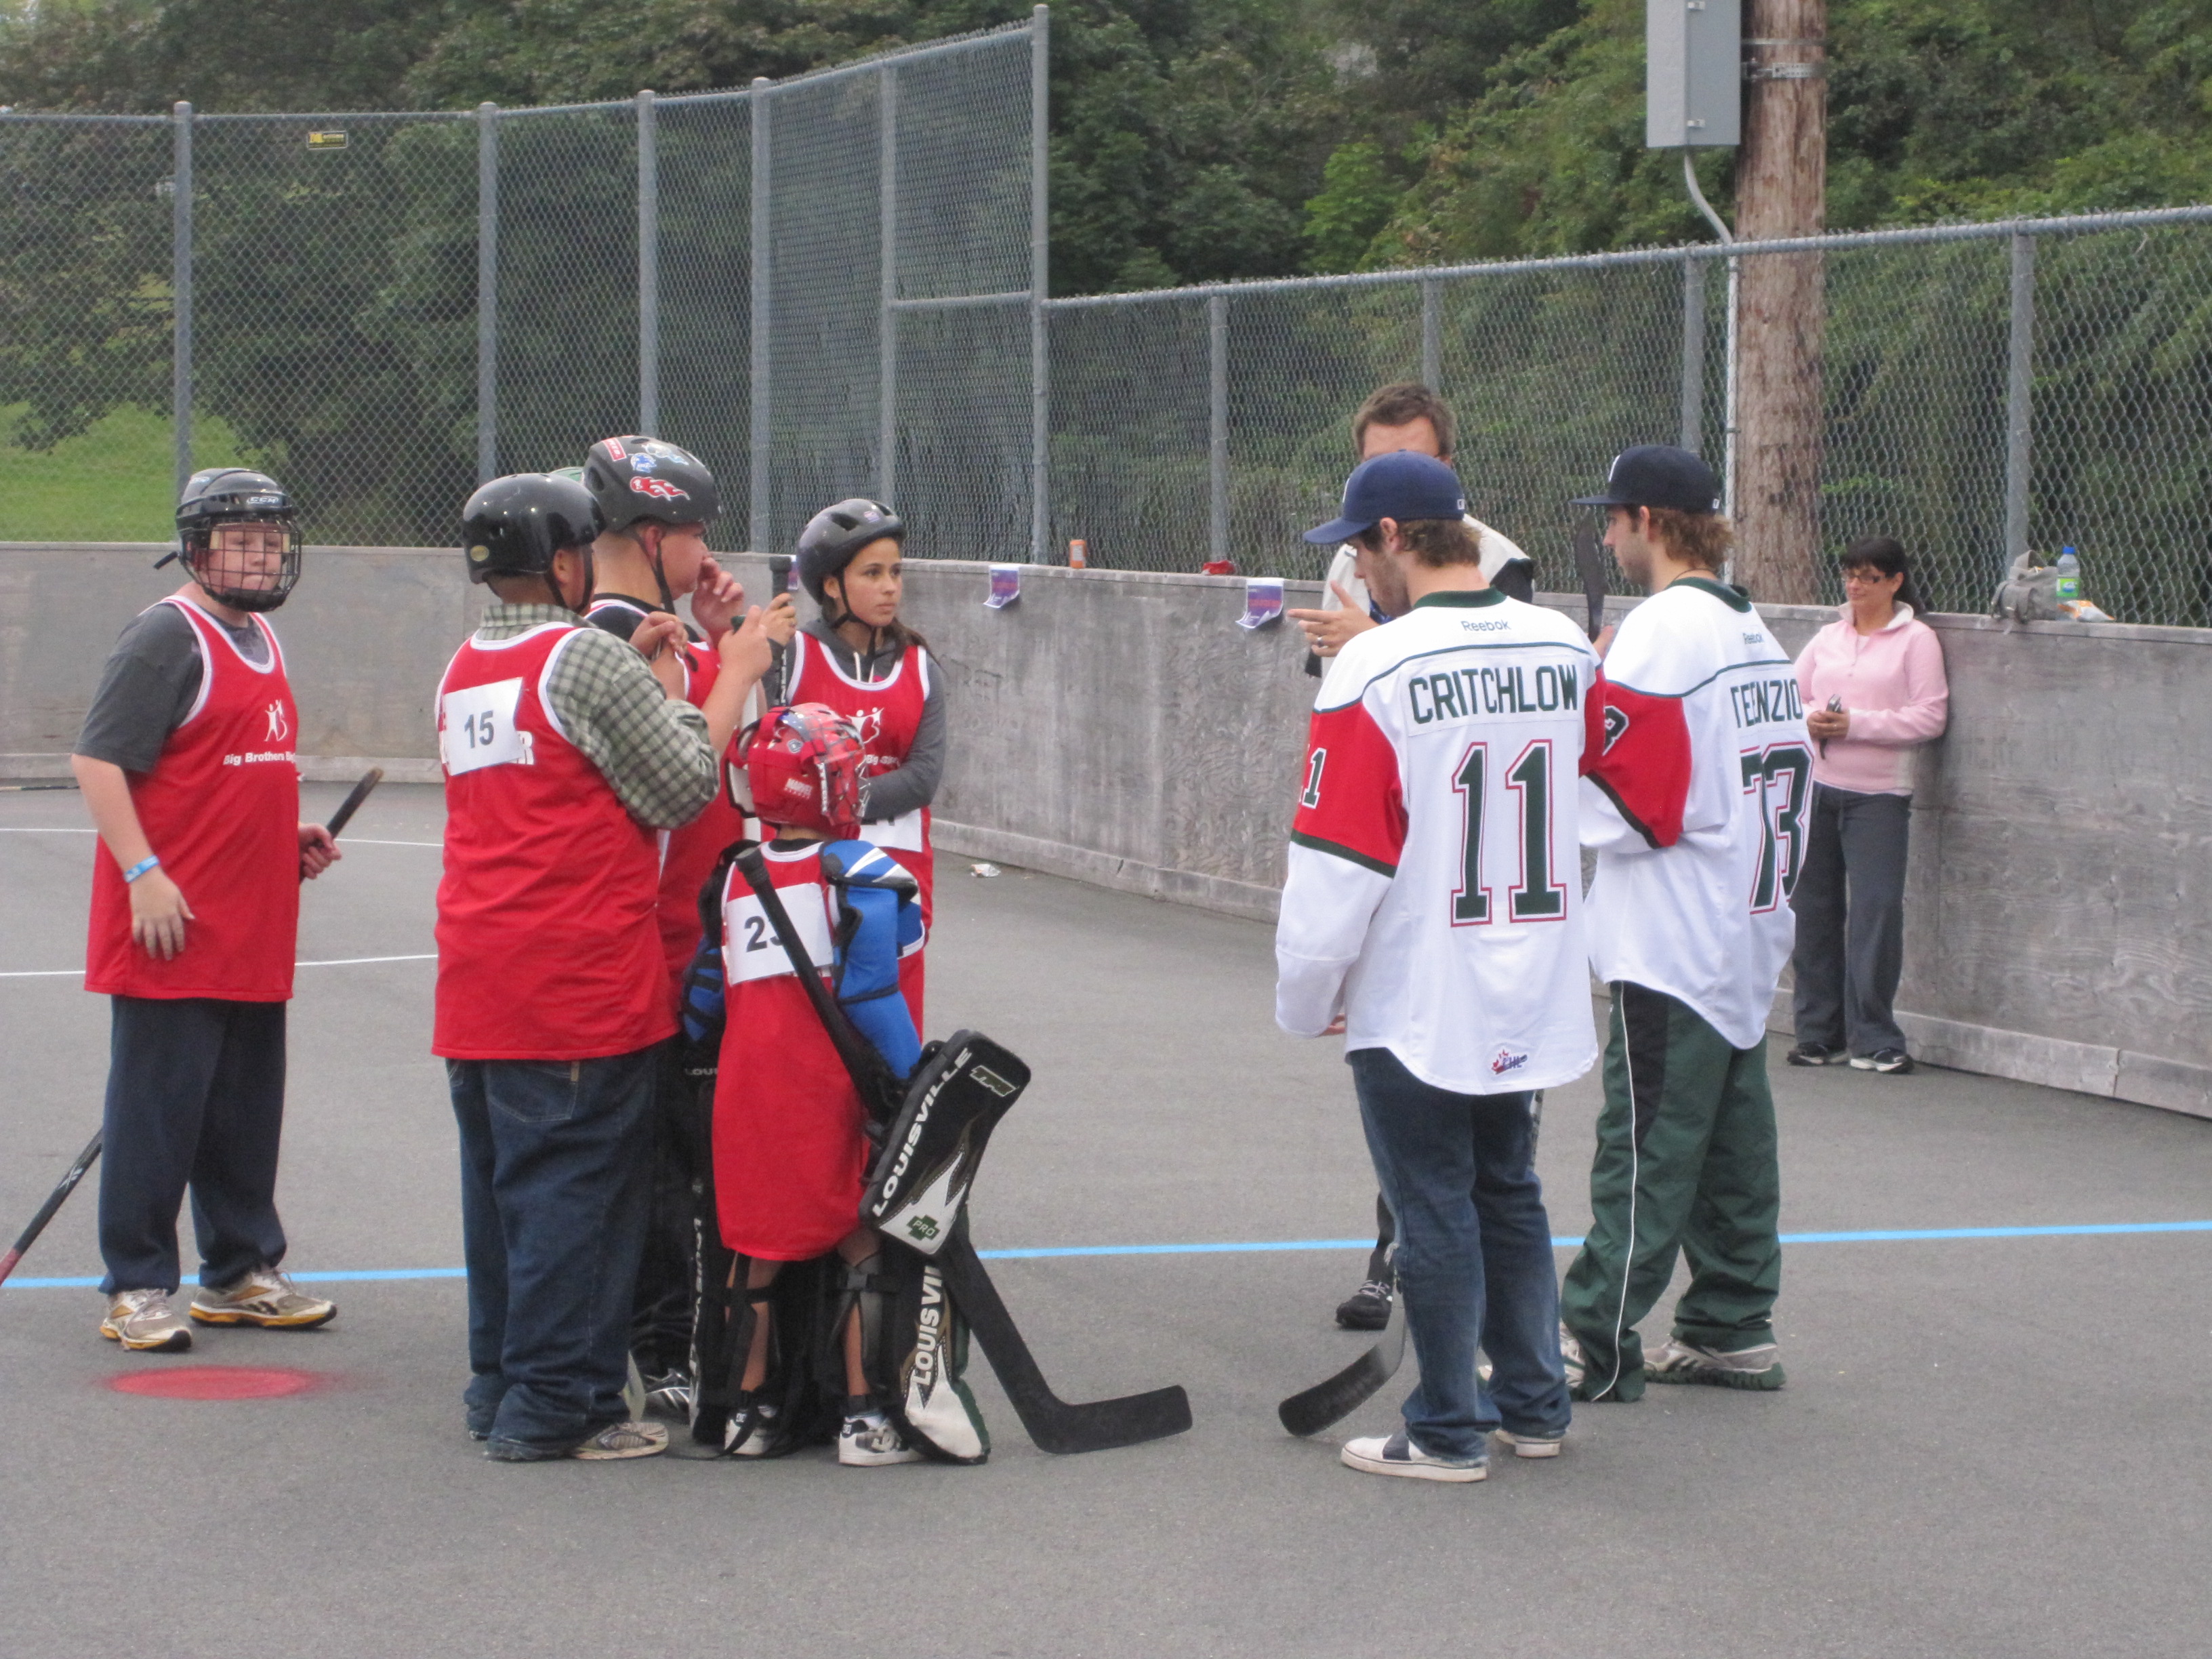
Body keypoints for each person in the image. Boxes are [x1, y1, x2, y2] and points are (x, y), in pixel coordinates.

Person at [433, 472, 782, 1462]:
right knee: (575, 1200)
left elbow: (556, 765)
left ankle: (501, 1383)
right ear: (561, 560)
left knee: (503, 1196)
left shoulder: (464, 665)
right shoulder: (584, 658)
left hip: (480, 974)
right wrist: (735, 671)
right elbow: (680, 786)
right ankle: (563, 1403)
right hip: (576, 976)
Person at [1275, 451, 1599, 1481]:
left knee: (1433, 1204)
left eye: (1358, 555)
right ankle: (1535, 1402)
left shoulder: (1375, 664)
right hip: (1532, 968)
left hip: (1421, 978)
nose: (1356, 581)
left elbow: (1338, 856)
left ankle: (1449, 1429)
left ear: (1393, 540)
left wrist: (1309, 990)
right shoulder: (1564, 644)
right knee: (1509, 1185)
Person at [73, 466, 344, 1353]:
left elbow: (231, 768)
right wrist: (142, 869)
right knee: (158, 1113)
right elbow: (100, 762)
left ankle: (238, 1271)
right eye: (243, 540)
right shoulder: (167, 637)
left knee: (241, 1114)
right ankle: (137, 1284)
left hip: (253, 923)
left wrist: (280, 832)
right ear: (198, 548)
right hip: (173, 923)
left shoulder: (264, 637)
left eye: (272, 540)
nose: (262, 556)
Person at [1560, 445, 1810, 1403]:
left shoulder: (1663, 630)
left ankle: (1591, 1339)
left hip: (1674, 931)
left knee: (1648, 1141)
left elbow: (1632, 805)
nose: (1606, 534)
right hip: (1744, 921)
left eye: (1613, 518)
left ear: (1650, 522)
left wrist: (1584, 727)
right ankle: (1731, 1323)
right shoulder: (1755, 631)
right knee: (1731, 1138)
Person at [1290, 383, 1539, 1333]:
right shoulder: (1352, 568)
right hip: (1410, 877)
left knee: (1486, 1150)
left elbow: (1474, 680)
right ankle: (1412, 1274)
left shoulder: (1502, 570)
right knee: (1415, 1111)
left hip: (1489, 896)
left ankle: (1468, 1382)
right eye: (1379, 457)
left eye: (1419, 458)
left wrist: (1379, 641)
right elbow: (1346, 718)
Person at [574, 435, 797, 1415]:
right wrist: (735, 664)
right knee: (665, 1162)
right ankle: (661, 1340)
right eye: (697, 531)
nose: (710, 550)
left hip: (707, 932)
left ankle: (684, 1328)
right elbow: (680, 775)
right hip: (660, 940)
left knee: (694, 1152)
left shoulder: (670, 632)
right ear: (654, 532)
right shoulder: (618, 638)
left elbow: (750, 751)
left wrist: (723, 645)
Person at [705, 704, 968, 1467]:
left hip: (749, 1093)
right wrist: (920, 1075)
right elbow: (872, 989)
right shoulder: (859, 871)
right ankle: (863, 1418)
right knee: (860, 1243)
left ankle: (746, 1415)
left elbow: (704, 996)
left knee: (756, 1252)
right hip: (829, 1092)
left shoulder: (734, 877)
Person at [1787, 537, 1949, 1074]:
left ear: (1895, 582)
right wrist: (1813, 718)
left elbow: (1930, 717)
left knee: (1876, 911)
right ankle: (1816, 1032)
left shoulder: (1916, 640)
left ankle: (1875, 1035)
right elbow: (1790, 693)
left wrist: (1858, 724)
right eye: (1850, 576)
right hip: (1819, 788)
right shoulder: (1830, 636)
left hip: (1879, 796)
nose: (1856, 587)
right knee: (1814, 911)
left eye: (1869, 578)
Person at [786, 498, 943, 1022]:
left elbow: (921, 780)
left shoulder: (921, 667)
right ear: (832, 585)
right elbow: (773, 773)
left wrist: (827, 798)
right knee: (816, 1030)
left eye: (895, 572)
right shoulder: (792, 657)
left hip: (898, 880)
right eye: (872, 573)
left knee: (895, 1039)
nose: (890, 587)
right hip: (810, 874)